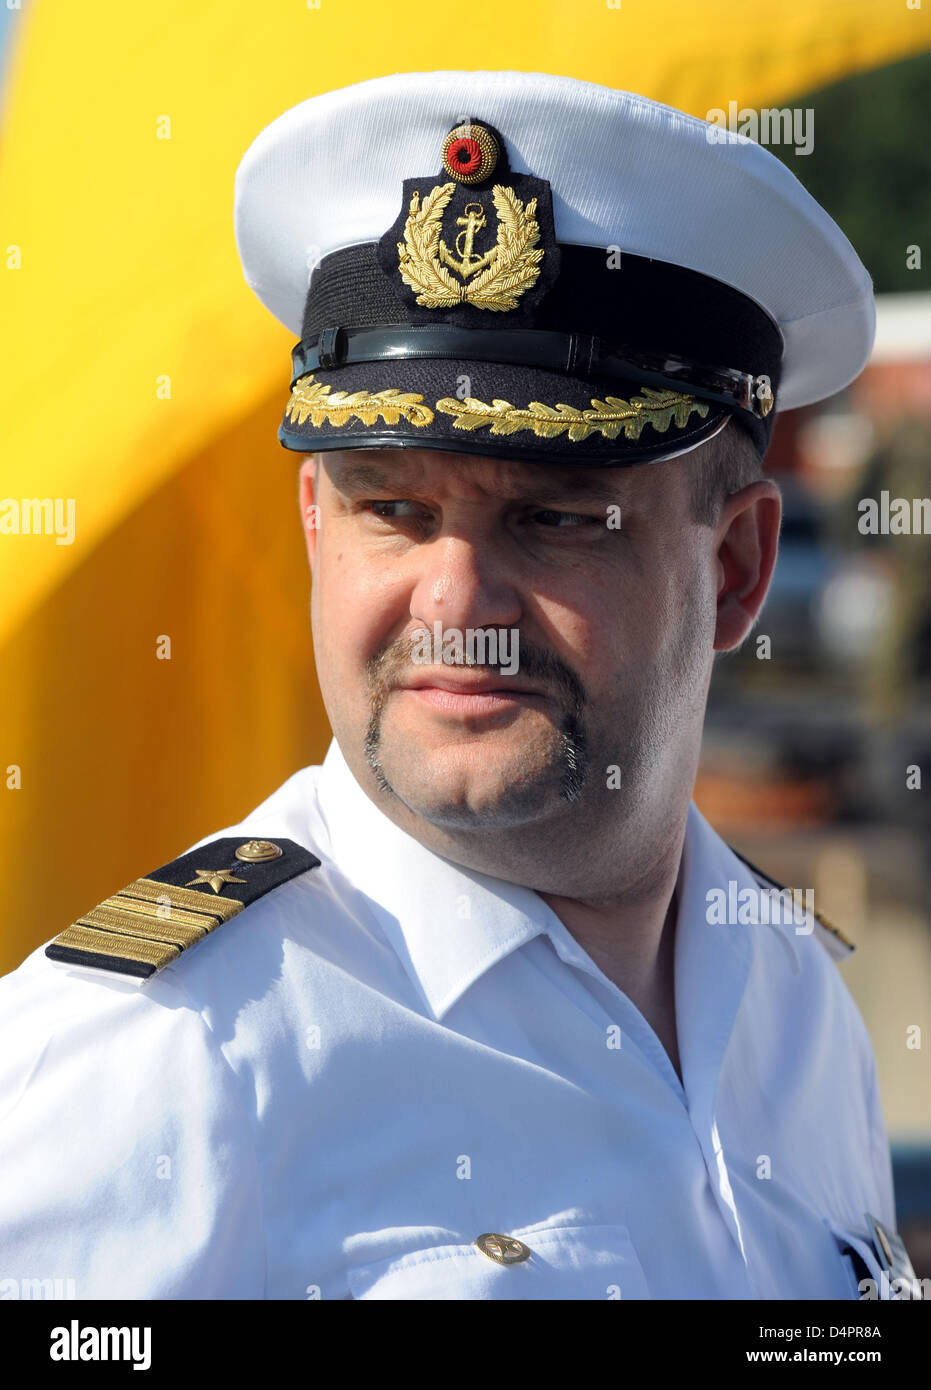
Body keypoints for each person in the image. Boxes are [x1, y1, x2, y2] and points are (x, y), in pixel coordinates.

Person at [0, 70, 910, 1300]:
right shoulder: (159, 1058)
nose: (453, 603)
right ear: (316, 521)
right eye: (395, 509)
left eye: (554, 518)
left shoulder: (793, 1003)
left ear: (737, 565)